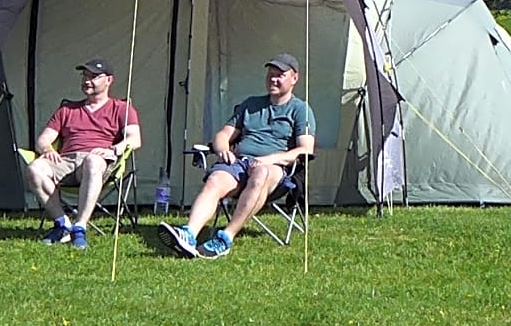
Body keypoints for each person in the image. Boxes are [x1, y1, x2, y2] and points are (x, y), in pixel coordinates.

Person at [162, 55, 318, 259]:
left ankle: (225, 238)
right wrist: (222, 148)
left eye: (280, 75)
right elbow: (223, 134)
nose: (273, 79)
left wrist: (269, 159)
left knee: (261, 173)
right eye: (270, 74)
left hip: (275, 171)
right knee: (215, 180)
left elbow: (305, 150)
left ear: (294, 78)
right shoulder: (251, 104)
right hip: (240, 164)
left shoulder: (300, 110)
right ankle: (188, 234)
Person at [27, 60, 141, 249]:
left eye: (94, 77)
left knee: (92, 161)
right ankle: (62, 224)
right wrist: (47, 150)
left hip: (99, 161)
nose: (87, 81)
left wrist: (113, 149)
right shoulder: (67, 110)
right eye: (85, 76)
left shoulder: (121, 108)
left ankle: (80, 227)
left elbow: (134, 139)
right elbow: (42, 140)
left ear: (109, 80)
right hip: (67, 160)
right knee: (35, 168)